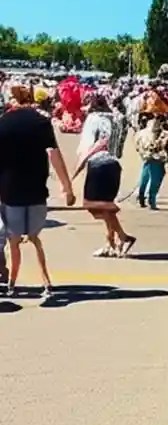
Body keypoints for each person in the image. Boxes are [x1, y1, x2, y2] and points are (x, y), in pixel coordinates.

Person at [0, 85, 76, 296]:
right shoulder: (41, 122)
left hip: (9, 191)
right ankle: (46, 282)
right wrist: (66, 187)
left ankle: (11, 284)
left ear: (12, 100)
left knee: (13, 240)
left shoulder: (3, 122)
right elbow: (53, 153)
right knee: (34, 238)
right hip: (36, 190)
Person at [73, 94, 136, 258]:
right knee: (105, 206)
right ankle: (110, 242)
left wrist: (77, 169)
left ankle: (122, 236)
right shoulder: (117, 119)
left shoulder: (93, 119)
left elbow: (88, 146)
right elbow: (118, 147)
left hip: (98, 163)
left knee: (93, 205)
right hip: (114, 165)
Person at [135, 116, 168, 209]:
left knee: (145, 176)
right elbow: (164, 145)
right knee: (155, 179)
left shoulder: (141, 133)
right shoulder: (162, 132)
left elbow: (137, 146)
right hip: (157, 157)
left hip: (146, 156)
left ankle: (141, 197)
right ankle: (152, 200)